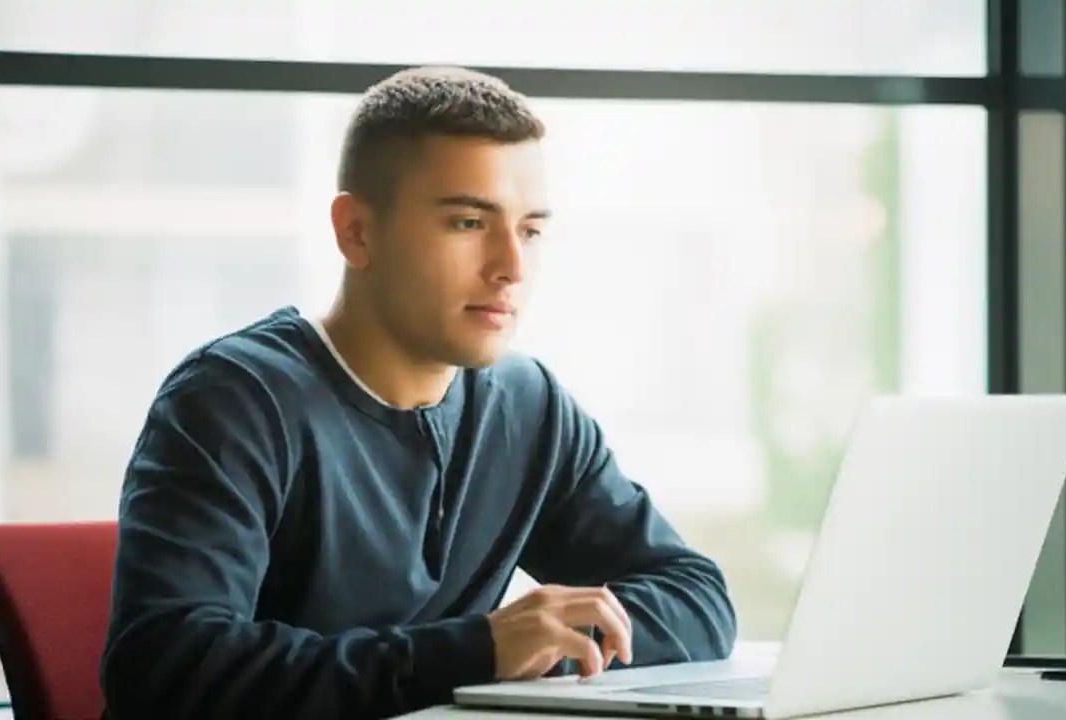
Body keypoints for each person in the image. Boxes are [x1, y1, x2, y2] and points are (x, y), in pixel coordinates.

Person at [100, 66, 736, 719]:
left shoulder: (529, 406)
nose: (511, 267)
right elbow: (168, 672)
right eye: (467, 222)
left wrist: (552, 647)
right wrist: (480, 652)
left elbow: (696, 596)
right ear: (356, 231)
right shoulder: (232, 401)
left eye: (531, 230)